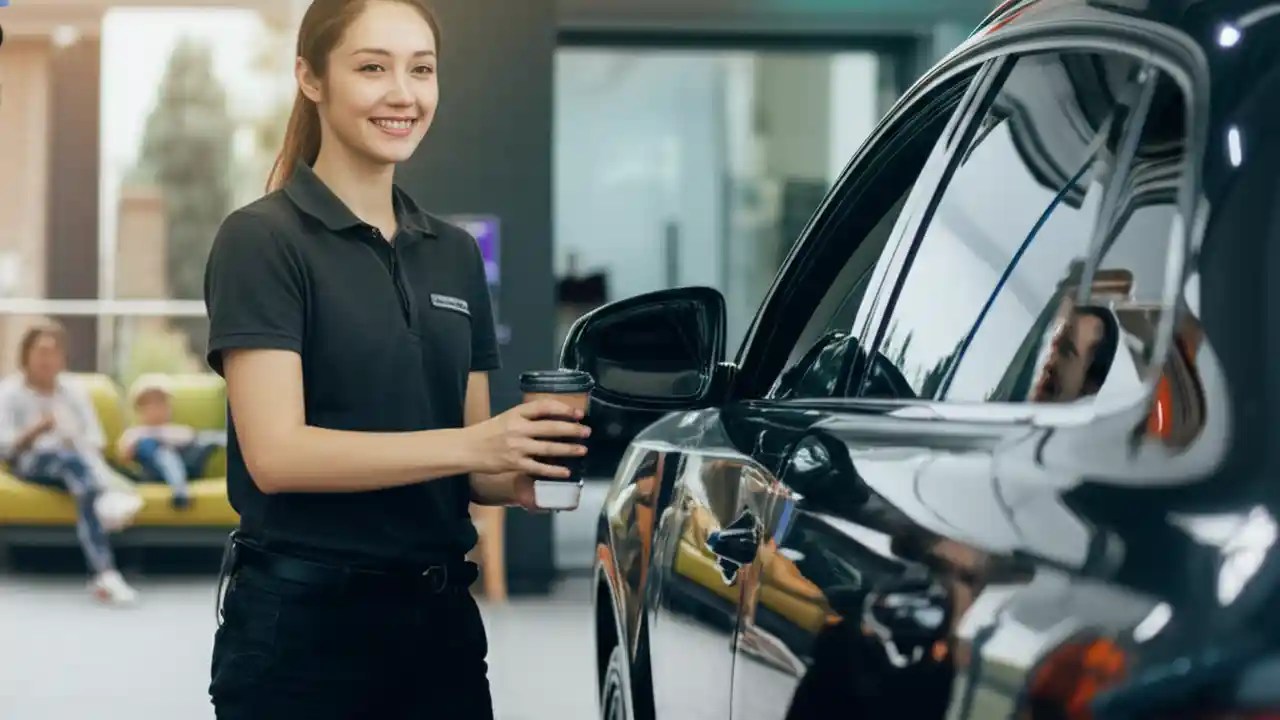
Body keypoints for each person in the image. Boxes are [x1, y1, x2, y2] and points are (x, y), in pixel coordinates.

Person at [203, 1, 590, 717]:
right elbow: (277, 455)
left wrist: (517, 475)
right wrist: (475, 442)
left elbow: (470, 465)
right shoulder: (261, 240)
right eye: (372, 67)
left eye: (422, 70)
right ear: (310, 78)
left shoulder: (455, 253)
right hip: (301, 640)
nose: (402, 94)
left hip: (440, 634)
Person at [0, 322, 139, 605]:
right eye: (41, 352)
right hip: (32, 463)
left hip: (76, 461)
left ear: (62, 358)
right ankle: (105, 564)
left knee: (78, 473)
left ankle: (104, 569)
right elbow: (5, 448)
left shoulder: (73, 391)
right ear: (26, 355)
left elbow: (97, 441)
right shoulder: (10, 392)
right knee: (73, 467)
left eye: (53, 352)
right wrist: (36, 431)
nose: (47, 359)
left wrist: (72, 435)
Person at [117, 377, 227, 509]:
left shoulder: (173, 430)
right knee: (161, 452)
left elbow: (189, 438)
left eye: (162, 404)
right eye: (151, 405)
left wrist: (163, 435)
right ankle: (180, 491)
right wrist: (148, 438)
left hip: (188, 468)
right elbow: (124, 455)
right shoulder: (136, 433)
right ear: (140, 410)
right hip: (156, 474)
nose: (158, 410)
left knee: (207, 439)